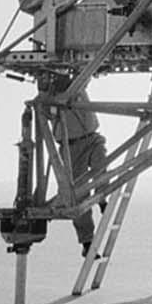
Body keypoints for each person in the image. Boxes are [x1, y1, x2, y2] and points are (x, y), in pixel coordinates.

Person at [64, 105, 108, 257]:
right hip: (71, 145)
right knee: (79, 194)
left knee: (101, 165)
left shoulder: (78, 86)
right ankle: (87, 242)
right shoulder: (51, 92)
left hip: (92, 137)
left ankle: (102, 199)